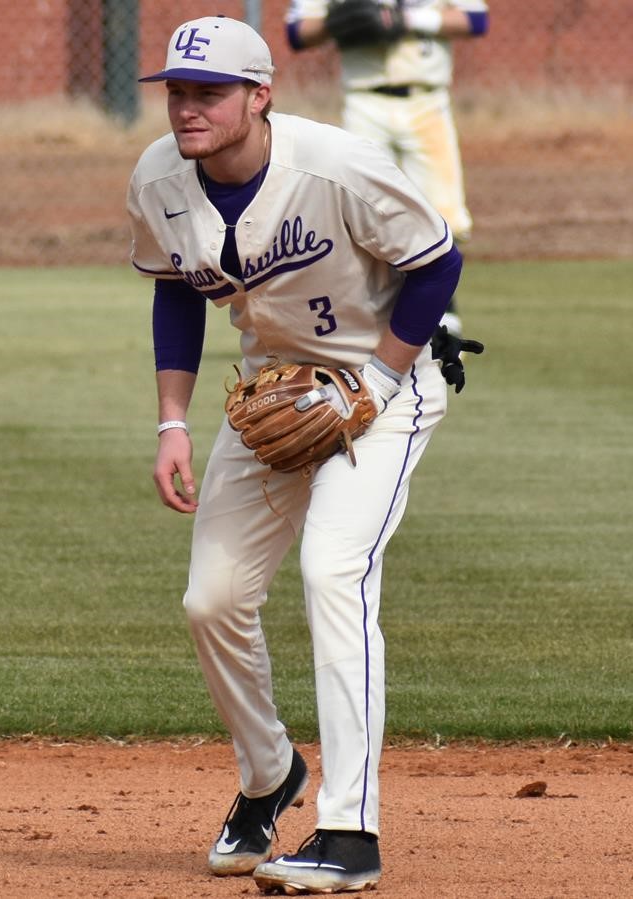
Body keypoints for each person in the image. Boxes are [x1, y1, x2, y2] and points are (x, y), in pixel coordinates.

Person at [125, 15, 468, 895]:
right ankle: (271, 774)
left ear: (259, 95)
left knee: (332, 572)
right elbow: (175, 295)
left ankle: (352, 833)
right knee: (212, 599)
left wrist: (381, 387)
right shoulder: (161, 179)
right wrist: (171, 422)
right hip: (273, 398)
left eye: (209, 92)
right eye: (177, 92)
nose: (188, 109)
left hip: (383, 389)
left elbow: (436, 264)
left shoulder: (337, 166)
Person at [285, 0, 489, 336]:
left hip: (427, 100)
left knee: (445, 216)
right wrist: (335, 21)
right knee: (359, 212)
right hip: (365, 100)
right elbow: (297, 31)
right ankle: (367, 314)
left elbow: (476, 20)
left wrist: (405, 19)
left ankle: (443, 312)